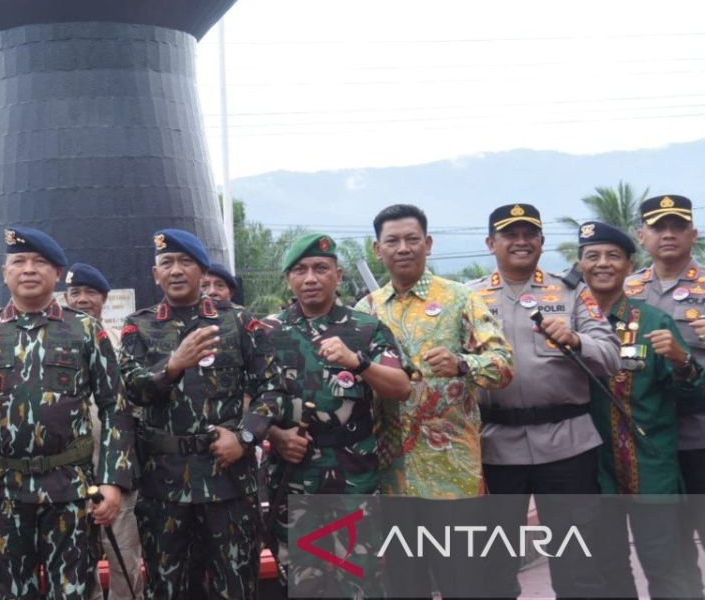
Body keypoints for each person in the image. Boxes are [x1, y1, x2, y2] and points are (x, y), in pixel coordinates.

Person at [0, 227, 135, 599]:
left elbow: (115, 409)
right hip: (3, 491)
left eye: (40, 262)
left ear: (57, 273)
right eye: (19, 262)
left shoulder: (85, 330)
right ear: (5, 272)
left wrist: (112, 481)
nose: (29, 269)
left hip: (70, 489)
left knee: (73, 591)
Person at [117, 228, 285, 599]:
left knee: (236, 583)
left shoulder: (238, 322)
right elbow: (130, 390)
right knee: (168, 587)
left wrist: (244, 438)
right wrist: (172, 366)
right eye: (167, 264)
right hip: (163, 486)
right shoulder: (138, 326)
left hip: (227, 479)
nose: (176, 271)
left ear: (201, 271)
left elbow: (272, 390)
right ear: (155, 274)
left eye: (185, 262)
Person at [355, 205, 513, 597]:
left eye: (412, 239)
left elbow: (504, 365)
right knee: (406, 586)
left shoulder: (460, 299)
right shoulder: (365, 310)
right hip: (392, 477)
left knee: (465, 584)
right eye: (392, 241)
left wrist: (462, 363)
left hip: (452, 477)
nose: (403, 248)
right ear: (378, 249)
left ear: (428, 244)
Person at [469, 203, 620, 598]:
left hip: (567, 443)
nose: (521, 241)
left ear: (541, 241)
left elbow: (612, 356)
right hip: (495, 445)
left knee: (577, 563)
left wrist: (577, 340)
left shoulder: (573, 292)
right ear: (490, 243)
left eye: (529, 234)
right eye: (510, 234)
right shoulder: (467, 298)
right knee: (494, 562)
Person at [265, 233, 410, 597]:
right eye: (300, 270)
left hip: (353, 478)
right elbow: (245, 401)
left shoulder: (366, 328)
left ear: (338, 276)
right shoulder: (266, 332)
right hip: (292, 476)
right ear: (289, 279)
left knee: (357, 580)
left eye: (320, 268)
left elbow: (400, 386)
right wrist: (276, 437)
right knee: (304, 583)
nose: (310, 278)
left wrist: (357, 362)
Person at [577, 220, 704, 597]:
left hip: (651, 467)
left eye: (613, 256)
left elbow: (690, 389)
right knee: (608, 567)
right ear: (580, 265)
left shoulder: (652, 321)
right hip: (592, 471)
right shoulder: (565, 323)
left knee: (667, 564)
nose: (603, 263)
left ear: (630, 266)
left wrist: (683, 361)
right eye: (592, 256)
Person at [624, 193, 705, 586]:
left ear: (694, 233)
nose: (668, 234)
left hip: (701, 438)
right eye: (658, 227)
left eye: (677, 226)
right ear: (642, 235)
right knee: (668, 555)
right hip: (653, 445)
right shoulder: (626, 291)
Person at [64, 262, 145, 600]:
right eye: (75, 293)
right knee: (77, 563)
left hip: (116, 471)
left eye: (91, 293)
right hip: (68, 475)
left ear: (104, 299)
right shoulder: (53, 342)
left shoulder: (121, 344)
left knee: (125, 559)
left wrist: (118, 474)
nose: (83, 299)